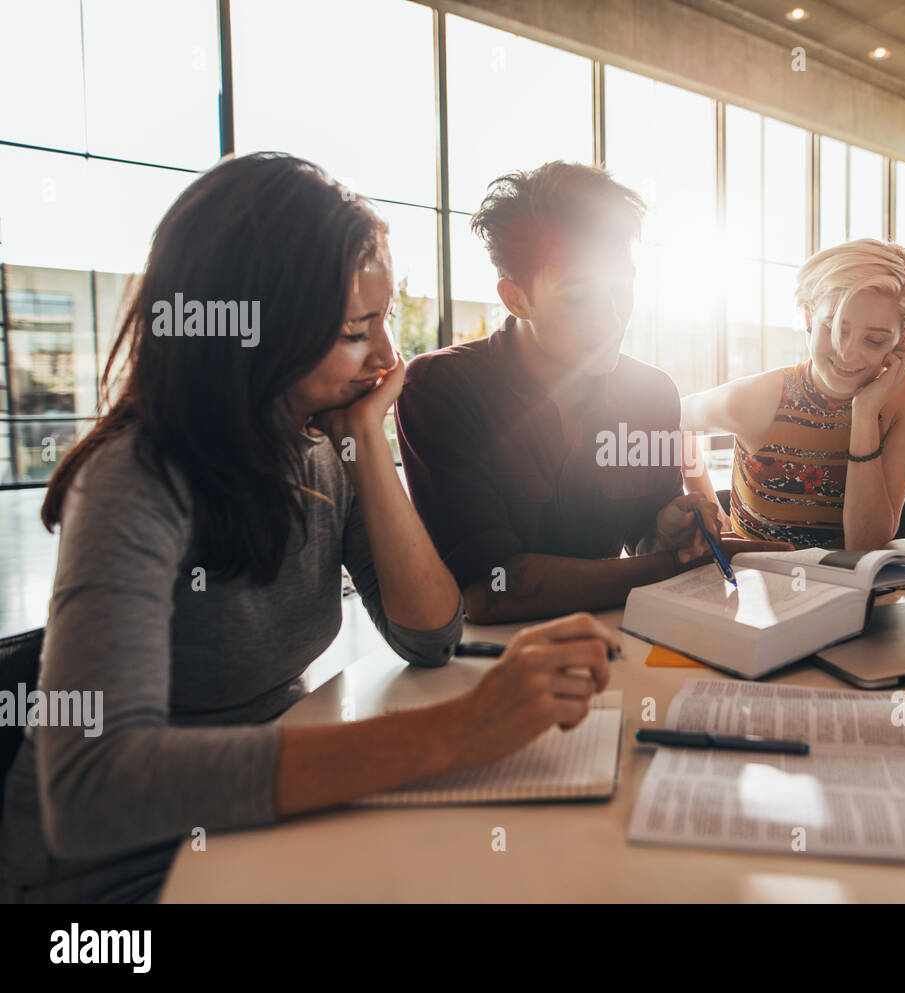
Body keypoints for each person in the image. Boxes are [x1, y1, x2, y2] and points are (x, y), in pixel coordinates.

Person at [0, 153, 617, 904]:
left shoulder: (324, 448)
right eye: (357, 330)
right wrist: (457, 733)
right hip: (120, 878)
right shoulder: (135, 479)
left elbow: (430, 636)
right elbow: (93, 792)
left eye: (386, 319)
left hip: (263, 827)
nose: (391, 356)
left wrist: (364, 443)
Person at [395, 161, 788, 623]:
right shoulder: (441, 388)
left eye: (623, 286)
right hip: (487, 664)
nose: (612, 317)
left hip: (611, 640)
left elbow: (644, 536)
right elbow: (491, 587)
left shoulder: (651, 393)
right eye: (579, 296)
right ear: (516, 297)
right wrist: (673, 567)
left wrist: (669, 531)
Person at [679, 239, 905, 549]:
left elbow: (865, 546)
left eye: (874, 340)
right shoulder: (760, 398)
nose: (848, 354)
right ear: (810, 316)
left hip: (854, 591)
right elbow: (675, 421)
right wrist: (713, 516)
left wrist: (865, 413)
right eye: (835, 328)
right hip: (759, 588)